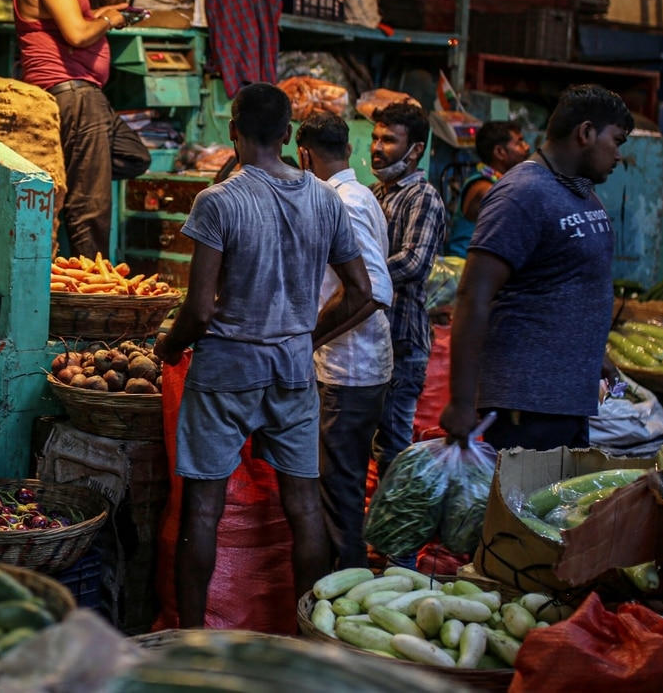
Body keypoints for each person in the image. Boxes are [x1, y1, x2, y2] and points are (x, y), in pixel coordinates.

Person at [152, 83, 374, 628]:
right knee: (303, 506)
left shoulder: (220, 200)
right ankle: (309, 633)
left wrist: (168, 346)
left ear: (233, 131)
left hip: (227, 367)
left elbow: (200, 310)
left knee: (204, 508)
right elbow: (363, 292)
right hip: (293, 371)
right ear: (288, 136)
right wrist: (307, 338)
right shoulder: (325, 198)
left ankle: (191, 639)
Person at [441, 84, 633, 452]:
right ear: (586, 132)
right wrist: (462, 402)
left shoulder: (578, 189)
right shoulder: (522, 193)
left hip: (568, 400)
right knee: (522, 508)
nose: (619, 155)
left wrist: (593, 354)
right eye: (617, 141)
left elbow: (567, 277)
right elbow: (472, 296)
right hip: (527, 404)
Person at [13, 0, 150, 260]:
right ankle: (92, 291)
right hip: (71, 91)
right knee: (92, 207)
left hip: (86, 94)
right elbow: (75, 34)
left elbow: (71, 24)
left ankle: (79, 183)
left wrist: (101, 14)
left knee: (134, 156)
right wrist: (109, 19)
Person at [295, 113, 394, 571]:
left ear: (304, 155)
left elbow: (372, 288)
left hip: (348, 371)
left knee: (339, 495)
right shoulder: (358, 195)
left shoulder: (345, 202)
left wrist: (311, 338)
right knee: (340, 489)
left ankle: (342, 589)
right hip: (356, 366)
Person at [368, 102, 448, 480]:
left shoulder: (423, 197)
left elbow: (414, 262)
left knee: (392, 446)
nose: (377, 147)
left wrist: (356, 276)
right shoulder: (373, 194)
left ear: (415, 149)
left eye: (389, 139)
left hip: (402, 340)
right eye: (374, 137)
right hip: (368, 338)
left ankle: (388, 534)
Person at [443, 120, 530, 258]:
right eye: (519, 143)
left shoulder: (498, 181)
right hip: (464, 269)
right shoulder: (484, 188)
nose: (526, 147)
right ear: (499, 152)